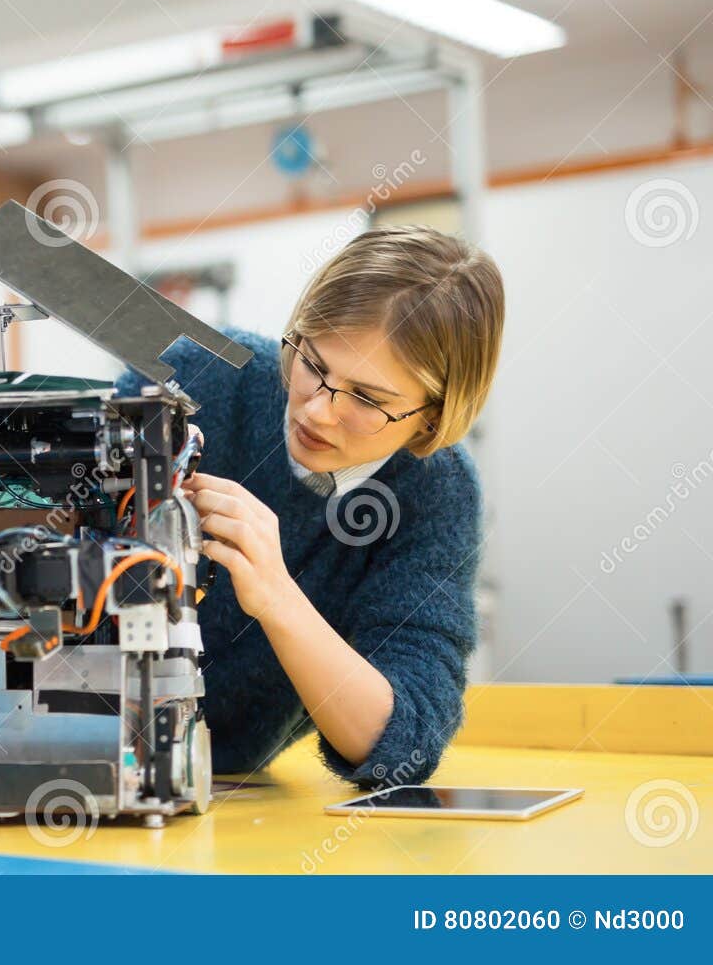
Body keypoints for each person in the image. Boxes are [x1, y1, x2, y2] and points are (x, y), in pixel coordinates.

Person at [116, 225, 504, 785]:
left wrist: (276, 595)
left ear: (435, 415)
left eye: (369, 399)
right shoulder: (200, 379)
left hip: (224, 800)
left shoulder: (436, 494)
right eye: (314, 365)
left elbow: (404, 741)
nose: (319, 412)